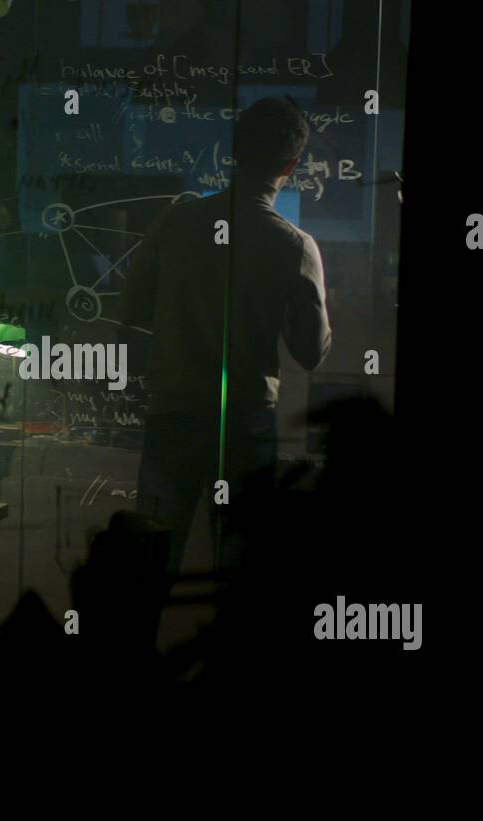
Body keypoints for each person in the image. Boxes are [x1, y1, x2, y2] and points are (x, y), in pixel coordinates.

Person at [119, 96, 332, 573]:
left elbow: (131, 308)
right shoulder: (294, 246)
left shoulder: (175, 222)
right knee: (243, 568)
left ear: (232, 152)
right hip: (243, 419)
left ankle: (130, 648)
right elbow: (312, 352)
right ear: (292, 165)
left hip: (172, 412)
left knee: (148, 560)